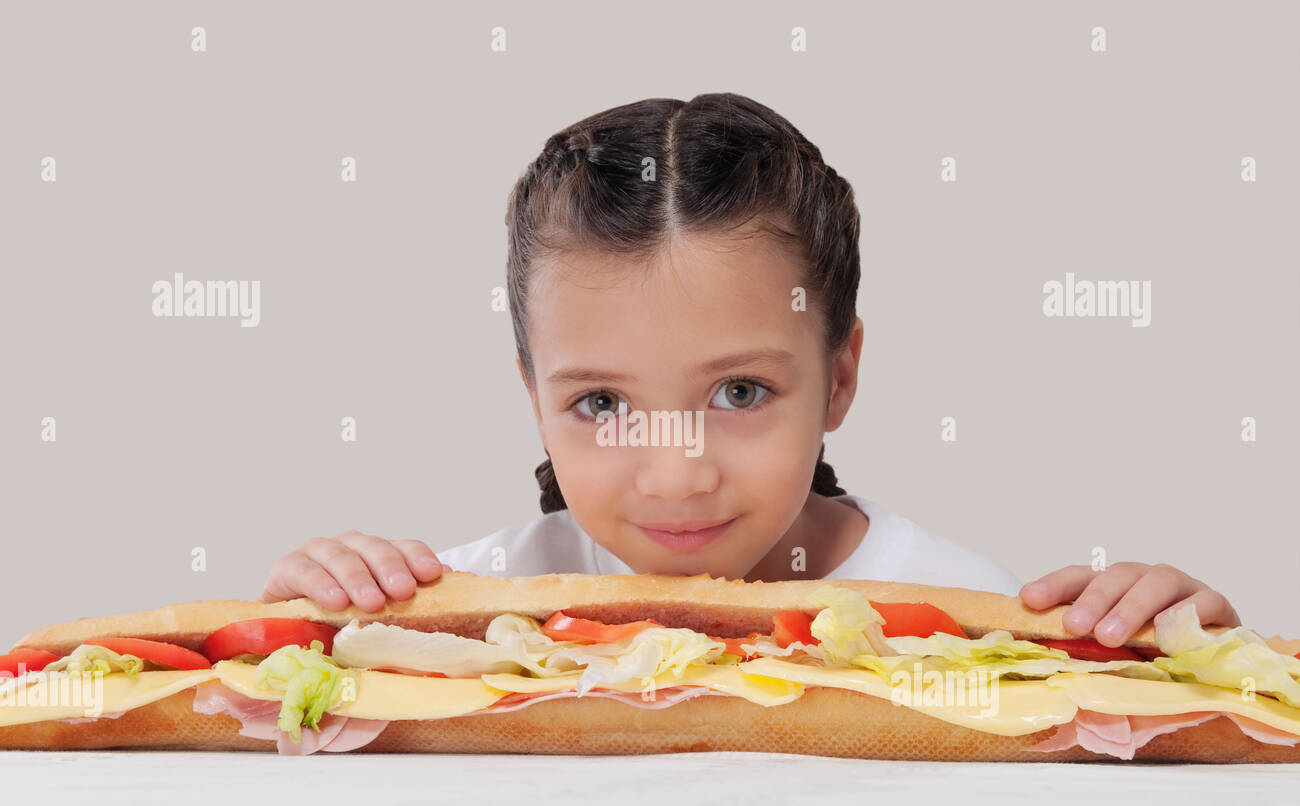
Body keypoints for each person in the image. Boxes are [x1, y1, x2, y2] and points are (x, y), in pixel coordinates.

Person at [260, 93, 1240, 648]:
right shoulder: (458, 608)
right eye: (600, 402)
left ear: (840, 376)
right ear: (534, 399)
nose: (676, 471)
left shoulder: (956, 608)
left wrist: (1171, 651)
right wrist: (308, 613)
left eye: (738, 393)